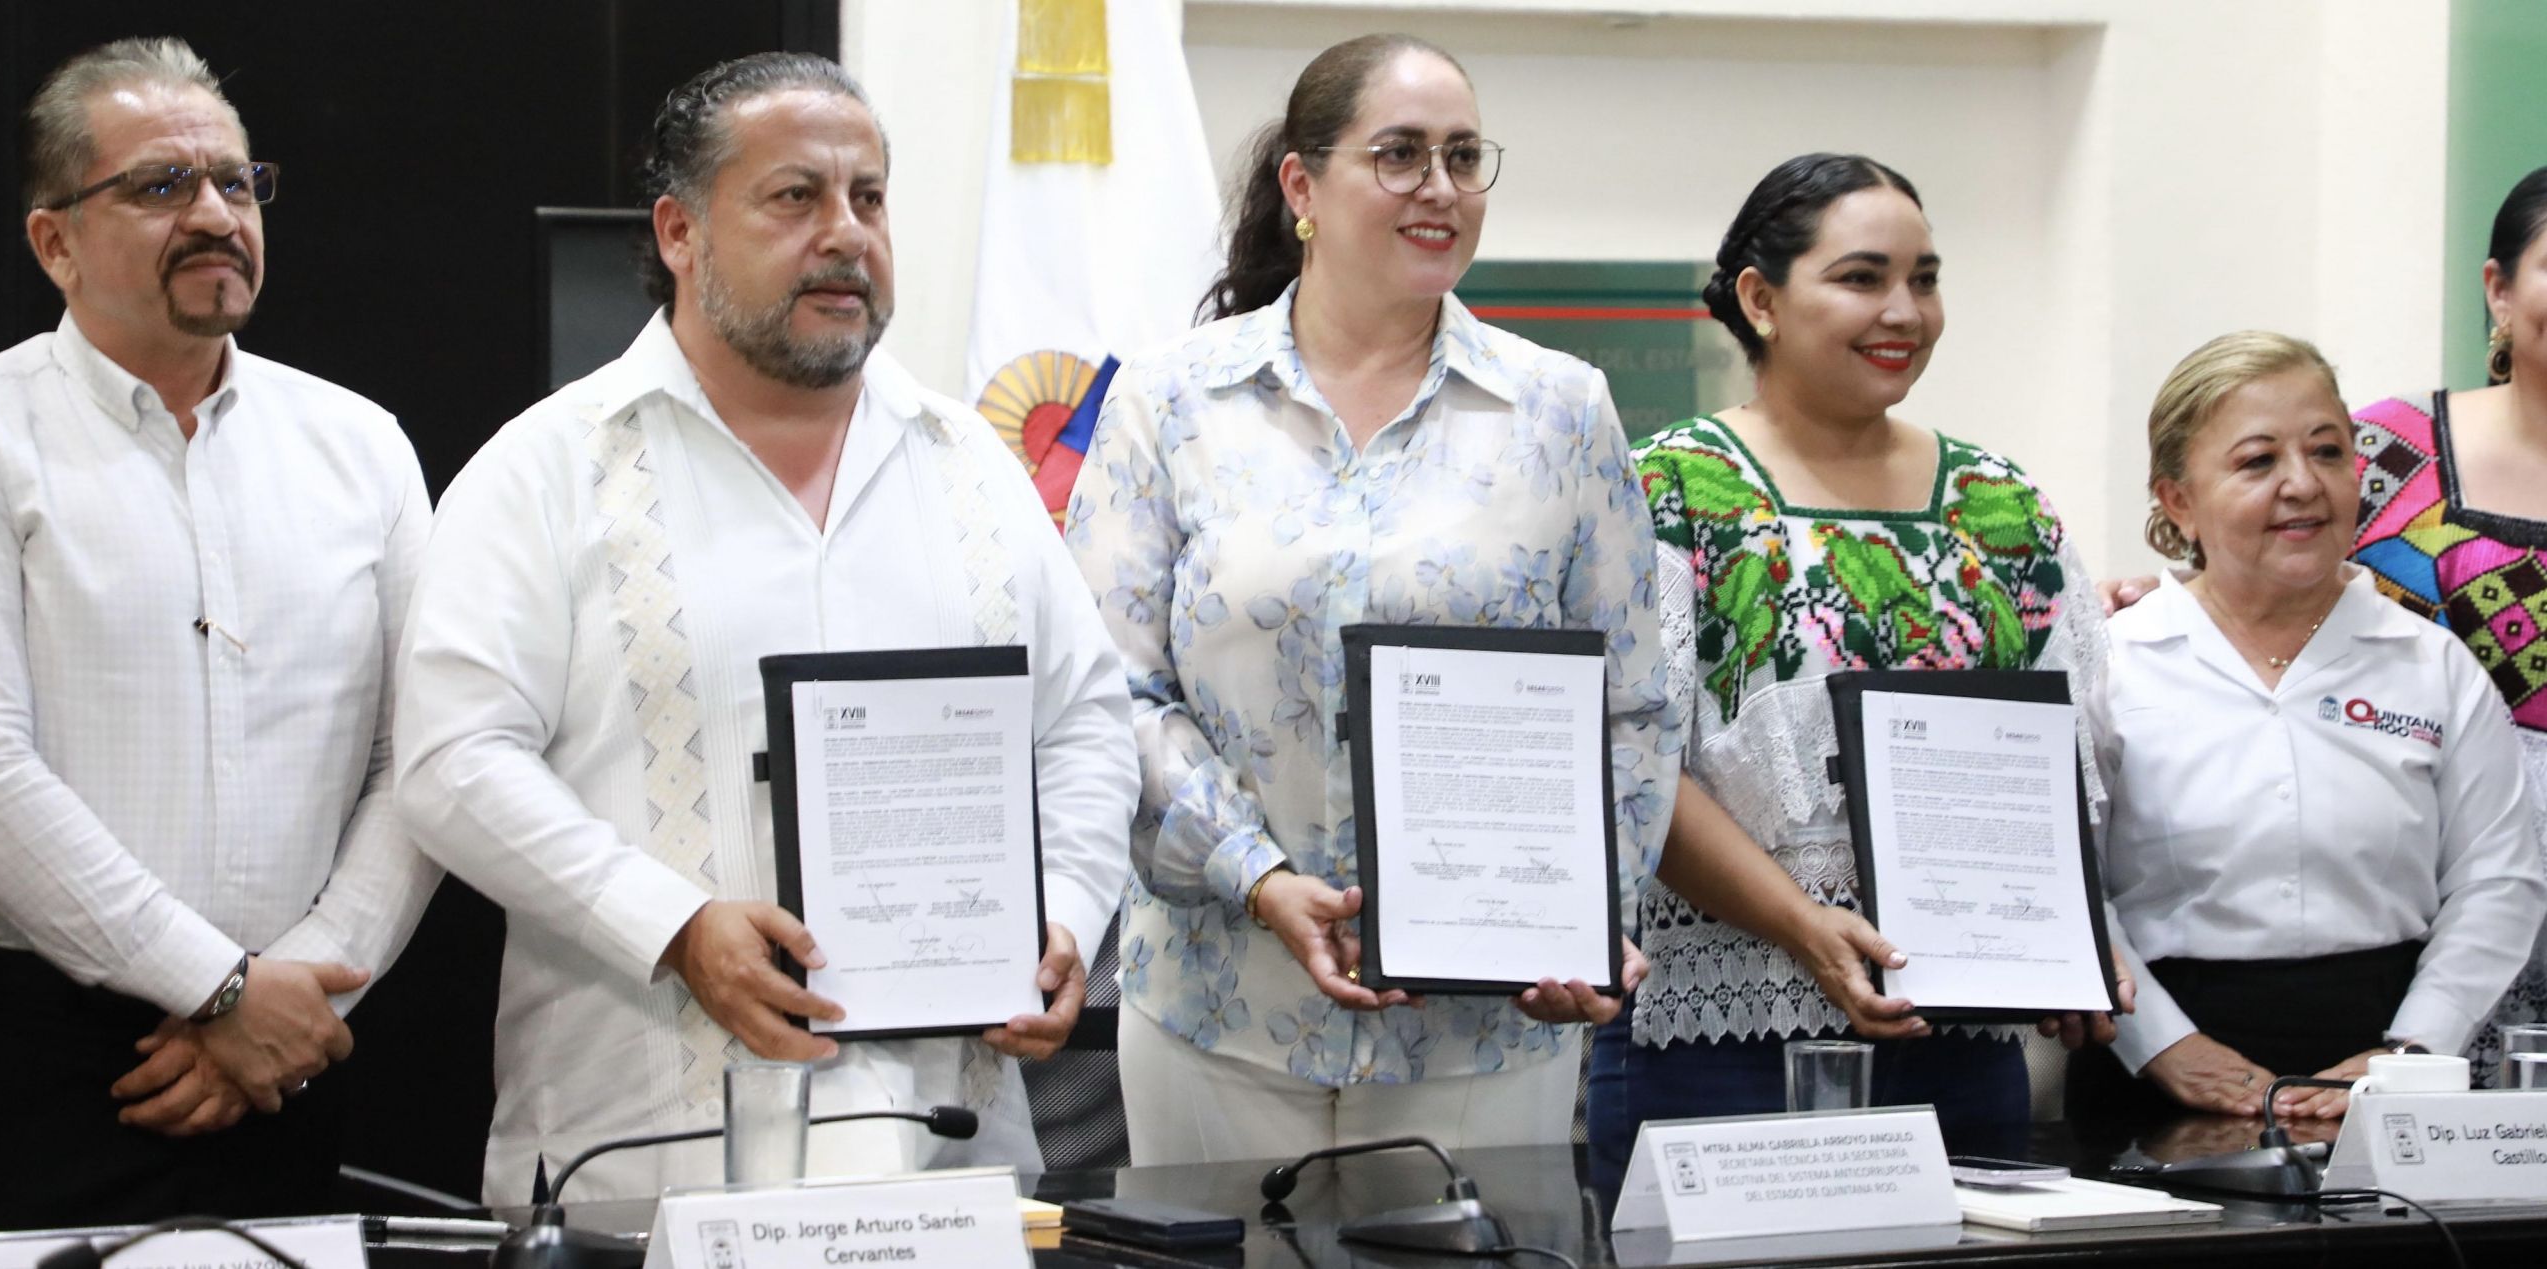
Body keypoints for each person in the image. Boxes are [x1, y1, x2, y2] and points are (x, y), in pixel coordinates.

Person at [395, 53, 1136, 1203]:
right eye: (795, 196)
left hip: (952, 1153)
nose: (846, 234)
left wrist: (1066, 917)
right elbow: (451, 761)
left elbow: (1086, 719)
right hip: (643, 1157)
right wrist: (676, 924)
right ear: (679, 232)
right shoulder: (547, 467)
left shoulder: (971, 467)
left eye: (870, 198)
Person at [1064, 33, 1673, 1166]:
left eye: (1461, 156)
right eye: (1397, 156)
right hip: (1217, 1003)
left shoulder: (1563, 410)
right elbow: (1117, 689)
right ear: (1302, 185)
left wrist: (1590, 918)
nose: (1439, 189)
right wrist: (1257, 878)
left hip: (1486, 1025)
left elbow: (1635, 705)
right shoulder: (1168, 400)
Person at [1586, 153, 2125, 1186]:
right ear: (1760, 298)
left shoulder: (1996, 497)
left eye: (1924, 279)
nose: (1904, 311)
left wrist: (2067, 935)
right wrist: (1804, 927)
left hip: (1959, 1040)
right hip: (1719, 1046)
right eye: (1862, 276)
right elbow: (1632, 761)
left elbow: (2071, 748)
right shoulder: (1668, 486)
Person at [0, 37, 439, 1227]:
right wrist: (218, 987)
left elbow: (424, 757)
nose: (214, 214)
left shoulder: (362, 447)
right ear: (55, 241)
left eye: (236, 183)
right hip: (46, 1053)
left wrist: (298, 995)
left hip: (299, 1052)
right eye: (160, 186)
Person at [2106, 170, 2547, 1088]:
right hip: (2156, 1061)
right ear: (2177, 500)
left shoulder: (2431, 663)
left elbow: (2498, 882)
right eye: (2258, 461)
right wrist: (2165, 1048)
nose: (2302, 484)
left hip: (2388, 1046)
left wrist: (2407, 1055)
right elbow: (2065, 876)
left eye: (2327, 452)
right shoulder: (2117, 663)